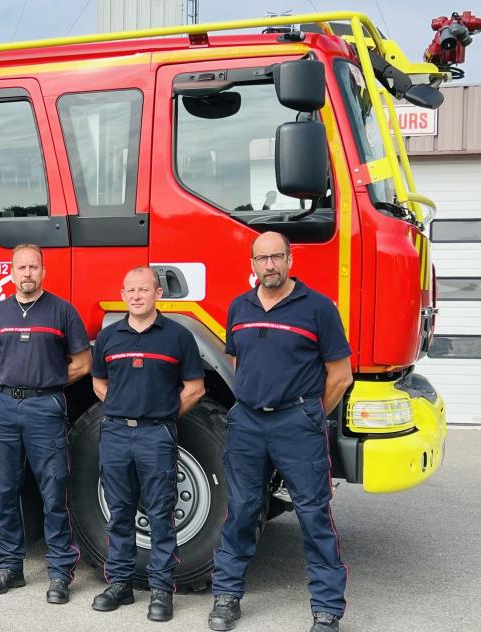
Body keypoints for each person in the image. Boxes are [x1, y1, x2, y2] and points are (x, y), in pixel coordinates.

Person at [208, 232, 353, 632]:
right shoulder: (240, 306)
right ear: (252, 264)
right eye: (261, 259)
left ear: (290, 260)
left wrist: (305, 414)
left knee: (312, 514)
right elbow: (238, 361)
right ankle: (226, 596)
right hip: (248, 423)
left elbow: (340, 377)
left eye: (276, 257)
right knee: (240, 510)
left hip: (297, 423)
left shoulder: (318, 308)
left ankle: (326, 609)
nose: (269, 265)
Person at [0, 243, 91, 604]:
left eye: (33, 267)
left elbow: (83, 363)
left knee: (53, 492)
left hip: (45, 407)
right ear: (11, 272)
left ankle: (59, 573)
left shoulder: (62, 312)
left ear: (43, 271)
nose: (27, 274)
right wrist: (9, 378)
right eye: (21, 268)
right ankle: (9, 567)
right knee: (4, 491)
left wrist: (49, 381)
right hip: (4, 407)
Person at [89, 267, 205, 621]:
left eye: (143, 290)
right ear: (123, 295)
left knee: (160, 513)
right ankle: (121, 585)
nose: (137, 296)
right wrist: (121, 410)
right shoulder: (109, 337)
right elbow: (98, 382)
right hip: (116, 433)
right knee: (119, 512)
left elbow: (195, 388)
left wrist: (165, 415)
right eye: (130, 291)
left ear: (157, 293)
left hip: (157, 435)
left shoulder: (178, 336)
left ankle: (160, 590)